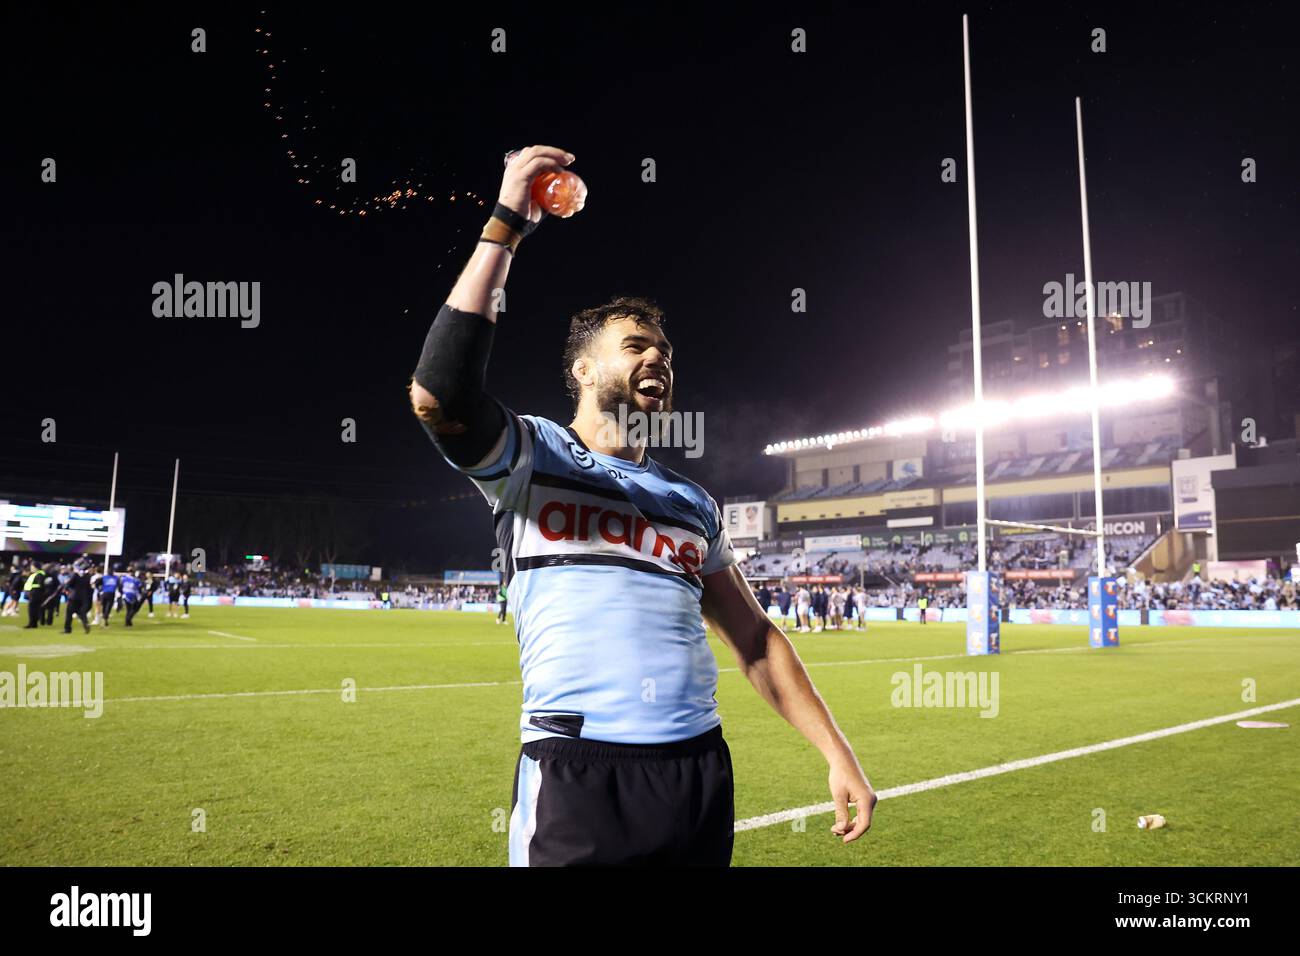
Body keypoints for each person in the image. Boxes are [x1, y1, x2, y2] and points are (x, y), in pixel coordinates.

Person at [406, 144, 875, 867]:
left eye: (665, 351)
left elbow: (754, 641)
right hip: (578, 771)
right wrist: (504, 225)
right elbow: (439, 394)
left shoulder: (691, 501)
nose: (658, 358)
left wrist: (836, 750)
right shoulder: (534, 458)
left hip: (696, 774)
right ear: (584, 370)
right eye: (636, 346)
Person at [63, 561, 93, 635]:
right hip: (83, 598)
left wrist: (66, 589)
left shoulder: (76, 575)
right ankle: (86, 624)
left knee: (69, 614)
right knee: (81, 613)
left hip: (74, 597)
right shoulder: (87, 576)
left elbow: (69, 584)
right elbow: (89, 589)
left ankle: (67, 629)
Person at [21, 563, 47, 629]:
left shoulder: (39, 575)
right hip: (34, 593)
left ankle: (32, 624)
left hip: (35, 594)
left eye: (32, 567)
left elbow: (40, 585)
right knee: (34, 609)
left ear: (36, 568)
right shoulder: (37, 574)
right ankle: (33, 624)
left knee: (32, 609)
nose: (31, 568)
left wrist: (33, 591)